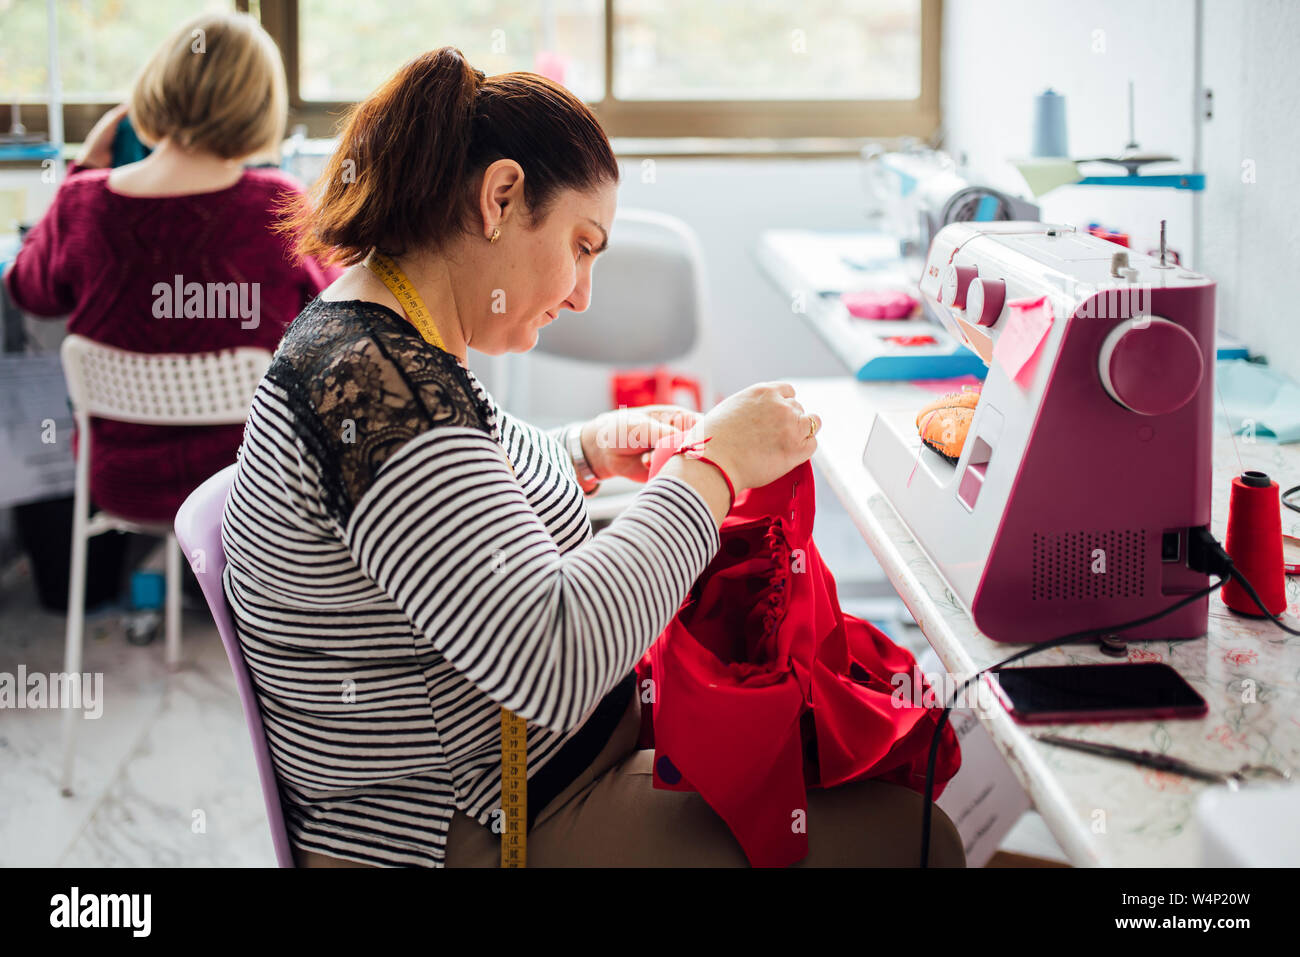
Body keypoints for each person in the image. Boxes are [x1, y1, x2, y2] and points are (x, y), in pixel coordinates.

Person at [222, 45, 965, 867]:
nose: (581, 293)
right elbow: (556, 660)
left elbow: (465, 479)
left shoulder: (379, 331)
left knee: (842, 750)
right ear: (500, 197)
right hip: (477, 822)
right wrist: (708, 471)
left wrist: (584, 450)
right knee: (920, 837)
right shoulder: (373, 387)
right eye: (581, 245)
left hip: (536, 769)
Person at [2, 11, 338, 525]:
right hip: (253, 481)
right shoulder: (278, 205)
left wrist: (86, 167)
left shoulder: (83, 201)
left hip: (117, 479)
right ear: (259, 106)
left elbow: (28, 290)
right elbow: (340, 315)